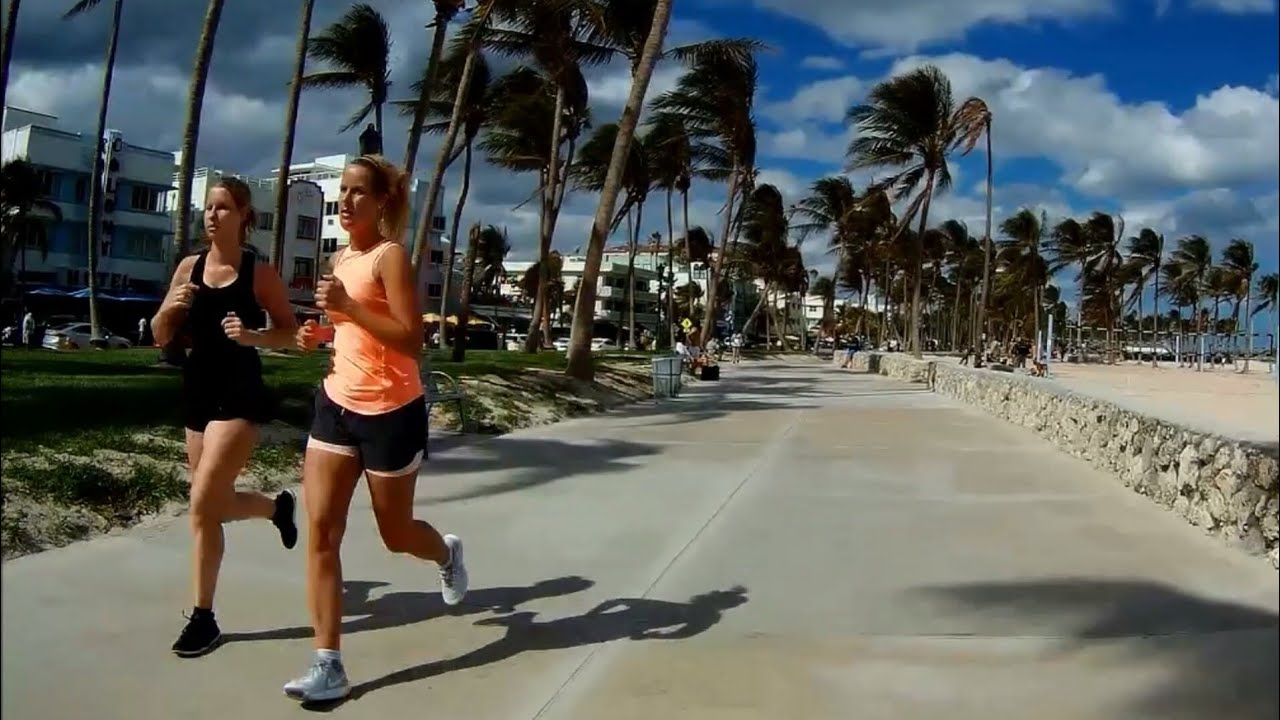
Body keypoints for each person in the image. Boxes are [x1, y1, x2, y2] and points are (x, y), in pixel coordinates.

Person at [286, 155, 469, 703]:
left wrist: (348, 308)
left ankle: (445, 554)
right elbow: (348, 328)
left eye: (358, 192)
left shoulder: (390, 257)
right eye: (342, 191)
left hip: (392, 412)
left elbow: (412, 339)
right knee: (321, 531)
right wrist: (319, 333)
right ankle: (329, 663)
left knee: (395, 534)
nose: (346, 201)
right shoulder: (339, 256)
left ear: (382, 202)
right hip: (336, 403)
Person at [149, 176, 300, 658]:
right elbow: (158, 335)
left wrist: (252, 336)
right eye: (208, 208)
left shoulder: (258, 272)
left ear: (243, 217)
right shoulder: (189, 268)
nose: (212, 216)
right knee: (210, 506)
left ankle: (203, 617)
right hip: (196, 392)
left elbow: (289, 333)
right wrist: (170, 309)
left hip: (239, 395)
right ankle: (277, 508)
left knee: (200, 505)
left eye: (222, 208)